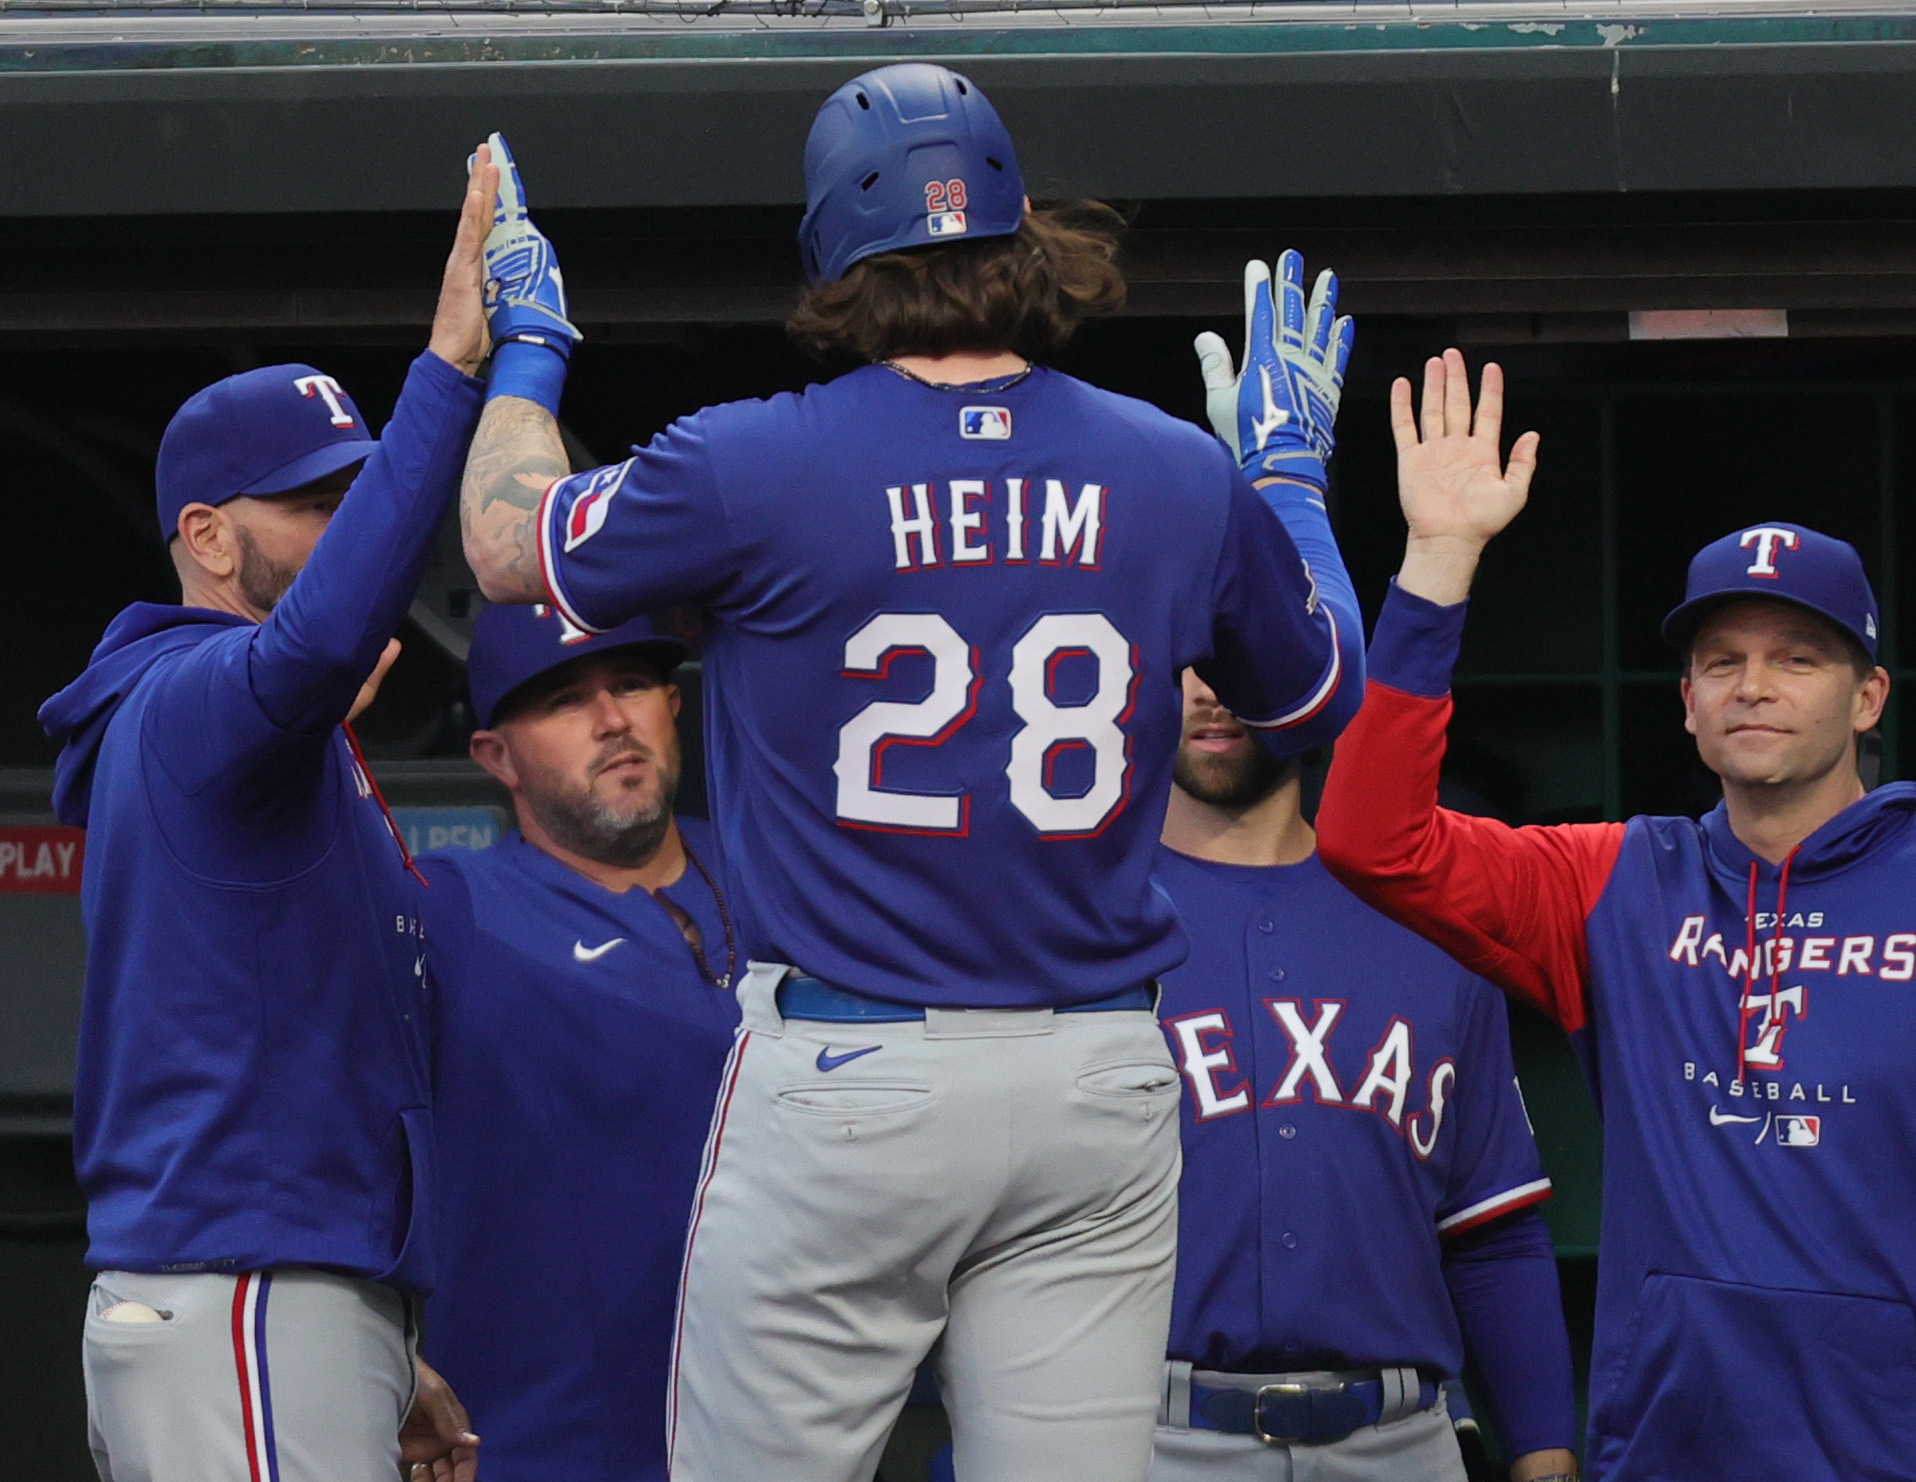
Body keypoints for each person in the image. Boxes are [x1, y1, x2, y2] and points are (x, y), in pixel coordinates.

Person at [455, 62, 1363, 1482]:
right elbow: (1320, 692)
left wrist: (527, 351)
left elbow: (509, 548)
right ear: (1014, 230)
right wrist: (1292, 484)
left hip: (849, 1069)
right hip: (1096, 1075)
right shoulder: (1179, 470)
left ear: (834, 257)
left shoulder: (754, 460)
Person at [1315, 349, 1916, 1481]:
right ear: (1683, 703)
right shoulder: (1614, 881)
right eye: (1719, 660)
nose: (1753, 685)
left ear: (1866, 695)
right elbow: (1367, 838)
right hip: (1672, 1441)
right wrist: (1438, 561)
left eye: (1797, 658)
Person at [37, 152, 499, 1482]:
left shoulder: (264, 740)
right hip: (237, 1285)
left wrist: (373, 1338)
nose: (351, 528)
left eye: (357, 497)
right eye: (314, 504)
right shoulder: (184, 700)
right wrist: (450, 370)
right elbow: (318, 635)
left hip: (275, 1289)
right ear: (207, 537)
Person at [1150, 668, 1579, 1482]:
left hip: (1400, 1440)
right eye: (1190, 660)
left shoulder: (1428, 918)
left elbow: (1489, 1230)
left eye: (1248, 657)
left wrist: (1544, 1454)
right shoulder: (1080, 924)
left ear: (1316, 683)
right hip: (1149, 1436)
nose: (1217, 690)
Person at [419, 601, 739, 1482]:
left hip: (795, 1426)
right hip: (541, 1443)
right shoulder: (451, 911)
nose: (610, 721)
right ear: (497, 757)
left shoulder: (788, 880)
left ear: (673, 704)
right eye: (562, 700)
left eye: (631, 683)